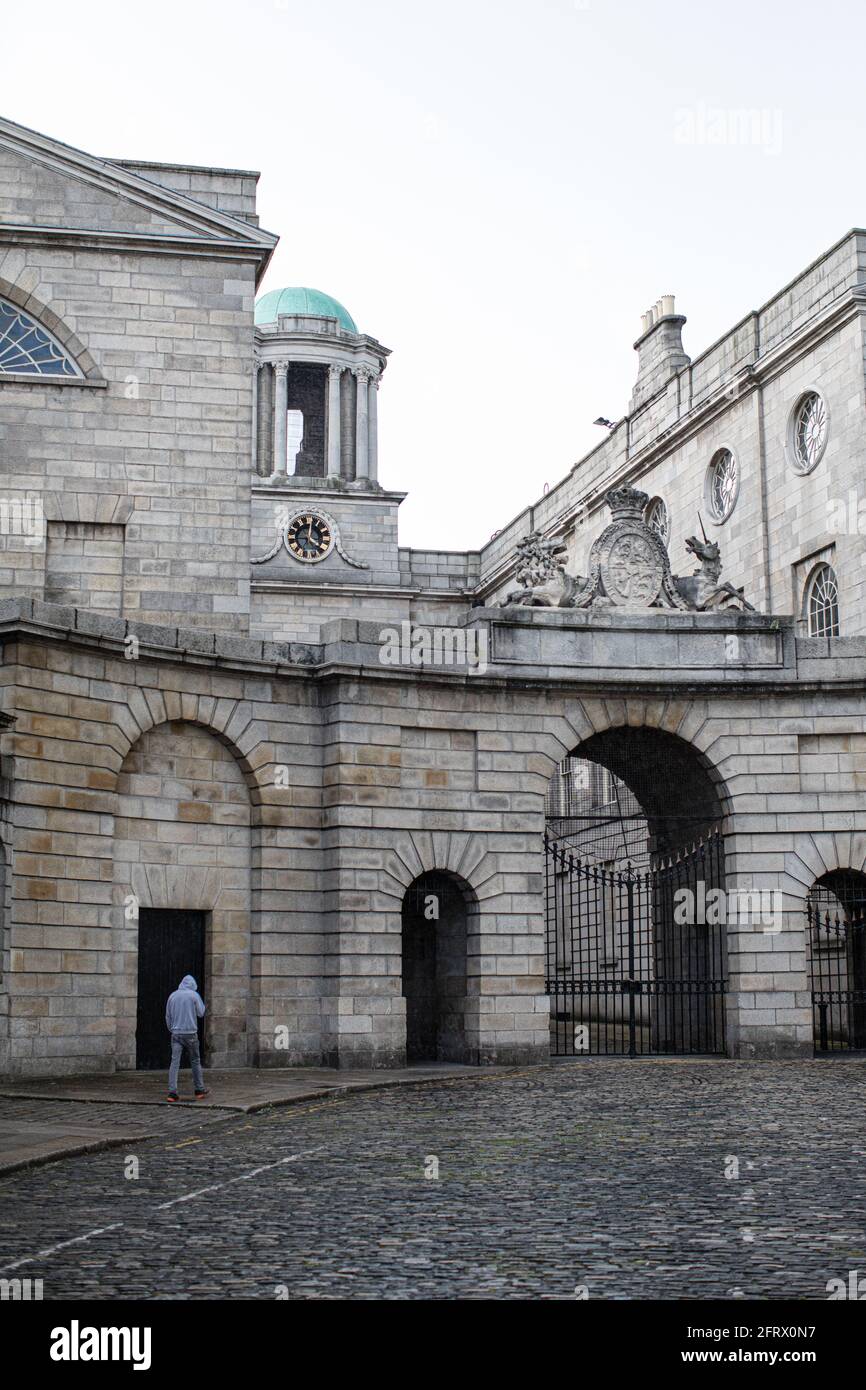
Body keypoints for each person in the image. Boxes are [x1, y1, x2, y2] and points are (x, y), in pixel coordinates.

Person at [165, 975, 209, 1102]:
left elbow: (168, 1016)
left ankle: (172, 1092)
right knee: (195, 1061)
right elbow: (201, 1013)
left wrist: (172, 1029)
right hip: (191, 1034)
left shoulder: (172, 996)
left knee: (174, 1063)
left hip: (176, 1034)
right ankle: (199, 1090)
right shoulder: (194, 995)